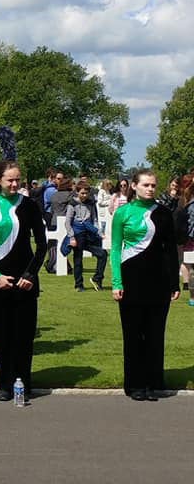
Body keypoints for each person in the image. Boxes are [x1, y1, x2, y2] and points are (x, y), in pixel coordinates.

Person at [0, 160, 48, 403]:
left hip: (25, 280)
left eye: (18, 179)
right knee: (2, 335)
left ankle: (24, 383)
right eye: (10, 180)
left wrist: (30, 274)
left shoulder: (30, 206)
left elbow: (41, 245)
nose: (15, 184)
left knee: (24, 336)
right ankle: (5, 384)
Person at [110, 170, 179, 401]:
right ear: (134, 186)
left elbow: (170, 250)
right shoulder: (123, 213)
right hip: (131, 282)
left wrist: (174, 283)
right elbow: (116, 249)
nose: (150, 189)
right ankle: (135, 384)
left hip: (158, 283)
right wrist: (116, 282)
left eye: (153, 185)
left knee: (154, 334)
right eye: (146, 185)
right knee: (132, 335)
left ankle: (153, 382)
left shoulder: (164, 214)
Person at [65, 183, 109, 292]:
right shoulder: (72, 204)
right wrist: (71, 237)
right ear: (77, 192)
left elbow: (94, 219)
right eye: (82, 193)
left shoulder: (91, 203)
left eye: (86, 193)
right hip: (77, 234)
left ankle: (97, 279)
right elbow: (67, 222)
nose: (84, 195)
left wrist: (98, 232)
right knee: (78, 260)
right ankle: (79, 284)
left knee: (103, 254)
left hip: (89, 234)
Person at [174, 176, 194, 306]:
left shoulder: (186, 203)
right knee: (191, 269)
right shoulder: (189, 204)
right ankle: (192, 297)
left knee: (191, 268)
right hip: (191, 239)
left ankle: (192, 298)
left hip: (189, 239)